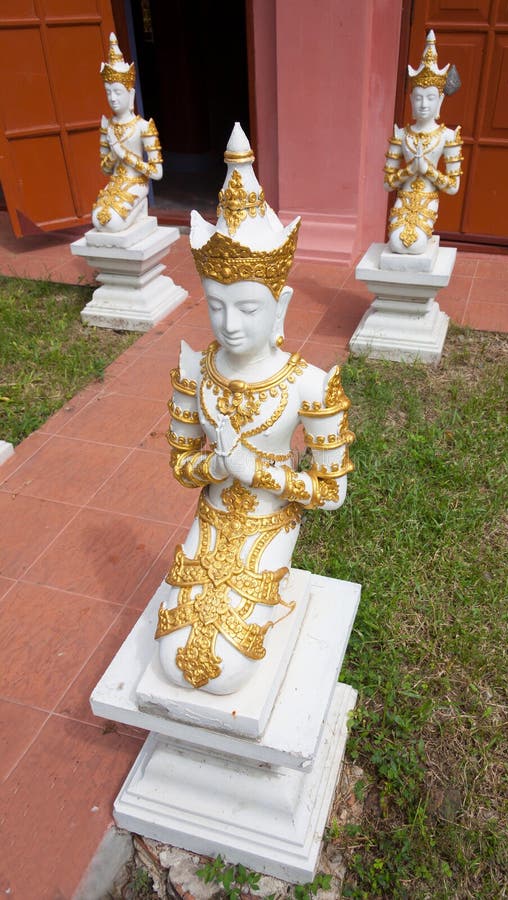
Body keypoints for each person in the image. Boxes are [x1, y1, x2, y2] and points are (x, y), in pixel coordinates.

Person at [155, 124, 354, 694]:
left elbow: (332, 492)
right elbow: (181, 465)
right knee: (180, 661)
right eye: (216, 306)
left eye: (247, 306)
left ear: (281, 303)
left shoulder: (310, 386)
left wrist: (258, 470)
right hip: (212, 515)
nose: (230, 325)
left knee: (224, 671)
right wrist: (218, 467)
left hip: (272, 516)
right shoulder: (197, 371)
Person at [384, 31, 463, 254]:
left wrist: (426, 169)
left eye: (430, 97)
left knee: (415, 245)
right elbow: (387, 184)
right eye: (418, 97)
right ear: (410, 100)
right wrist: (411, 169)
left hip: (428, 199)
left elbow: (453, 187)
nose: (424, 104)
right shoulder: (401, 135)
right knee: (397, 243)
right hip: (404, 199)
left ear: (440, 101)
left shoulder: (448, 136)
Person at [92, 33, 163, 232]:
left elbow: (157, 172)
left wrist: (124, 154)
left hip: (136, 182)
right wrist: (114, 154)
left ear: (130, 94)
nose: (113, 98)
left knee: (111, 223)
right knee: (99, 218)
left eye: (118, 92)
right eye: (108, 92)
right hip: (115, 184)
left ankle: (139, 207)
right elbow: (106, 170)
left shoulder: (143, 126)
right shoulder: (108, 125)